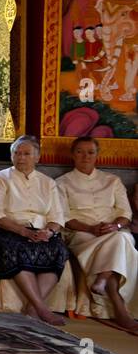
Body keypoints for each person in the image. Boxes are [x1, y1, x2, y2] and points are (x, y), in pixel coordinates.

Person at [0, 135, 70, 325]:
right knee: (19, 250)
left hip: (41, 230)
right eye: (17, 153)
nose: (21, 157)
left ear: (37, 157)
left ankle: (32, 310)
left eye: (26, 154)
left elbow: (57, 216)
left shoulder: (48, 183)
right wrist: (23, 232)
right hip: (7, 229)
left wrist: (48, 232)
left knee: (58, 250)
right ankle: (42, 309)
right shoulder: (0, 178)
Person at [56, 137, 138, 334]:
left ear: (97, 155)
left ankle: (103, 281)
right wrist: (90, 228)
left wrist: (115, 225)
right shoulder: (61, 182)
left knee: (122, 237)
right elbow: (64, 217)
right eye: (80, 152)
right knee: (119, 242)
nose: (85, 156)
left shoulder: (112, 180)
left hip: (113, 231)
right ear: (72, 154)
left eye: (90, 152)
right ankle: (119, 307)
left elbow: (125, 213)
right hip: (82, 234)